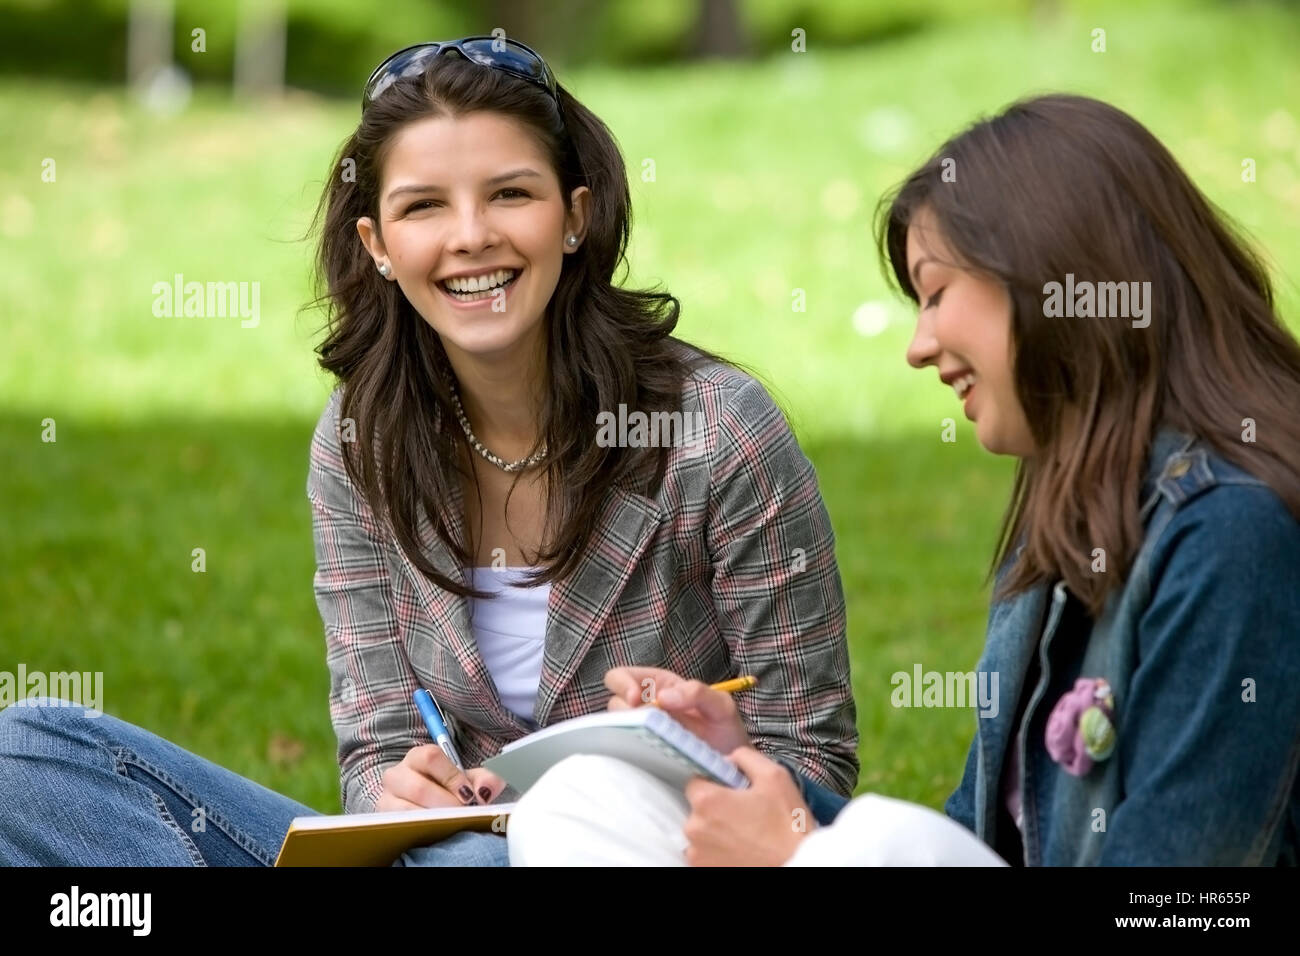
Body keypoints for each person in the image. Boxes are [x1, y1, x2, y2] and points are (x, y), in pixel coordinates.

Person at [0, 36, 858, 866]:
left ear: (575, 216)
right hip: (450, 856)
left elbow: (814, 772)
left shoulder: (717, 430)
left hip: (637, 850)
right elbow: (374, 751)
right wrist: (397, 793)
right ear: (378, 245)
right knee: (25, 751)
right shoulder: (359, 441)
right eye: (424, 206)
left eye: (511, 194)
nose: (471, 235)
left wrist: (700, 746)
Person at [506, 93, 1300, 866]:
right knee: (587, 796)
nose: (918, 347)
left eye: (938, 294)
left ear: (1052, 278)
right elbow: (977, 842)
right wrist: (737, 761)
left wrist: (798, 855)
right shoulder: (1068, 519)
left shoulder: (1230, 533)